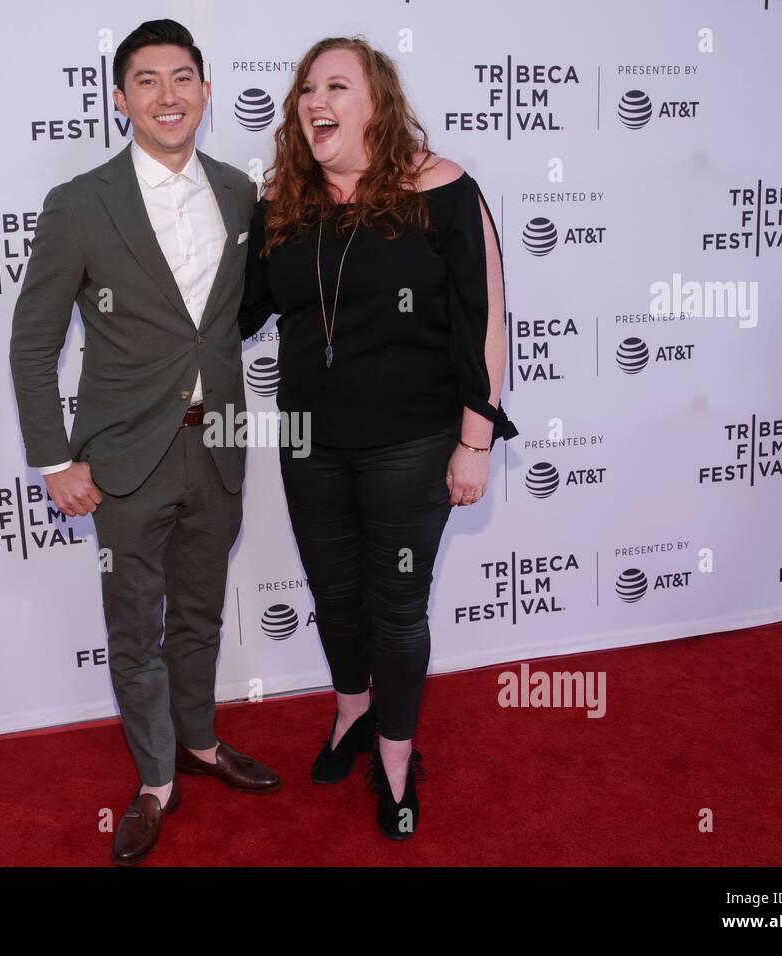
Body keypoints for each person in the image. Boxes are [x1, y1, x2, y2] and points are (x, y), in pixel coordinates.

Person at [9, 18, 280, 867]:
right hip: (124, 457)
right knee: (135, 626)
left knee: (199, 612)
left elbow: (233, 318)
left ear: (205, 90)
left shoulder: (241, 193)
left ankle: (200, 741)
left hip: (220, 442)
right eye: (148, 81)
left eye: (183, 78)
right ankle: (156, 779)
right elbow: (32, 342)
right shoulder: (80, 204)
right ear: (120, 98)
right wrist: (56, 459)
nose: (168, 96)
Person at [238, 37, 518, 839]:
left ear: (376, 103)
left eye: (337, 85)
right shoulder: (283, 204)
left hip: (412, 441)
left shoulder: (442, 188)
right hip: (307, 441)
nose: (315, 99)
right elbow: (240, 315)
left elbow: (486, 319)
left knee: (395, 605)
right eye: (306, 89)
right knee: (332, 594)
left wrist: (477, 439)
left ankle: (395, 754)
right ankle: (352, 712)